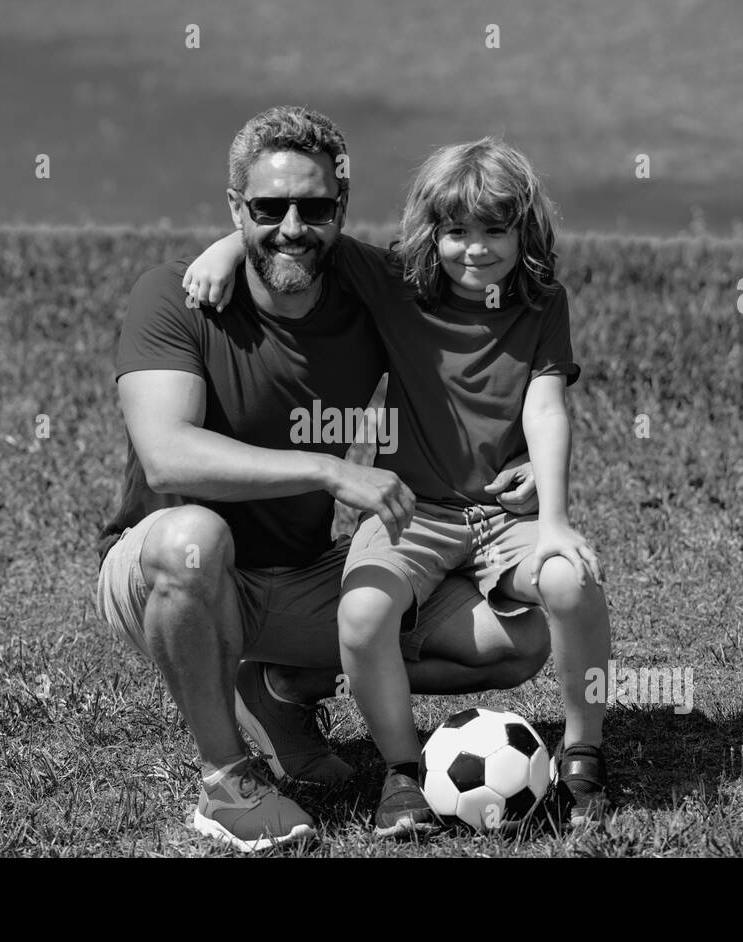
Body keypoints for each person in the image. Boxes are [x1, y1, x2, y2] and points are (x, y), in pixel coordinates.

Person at [96, 107, 551, 853]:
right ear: (236, 208)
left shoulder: (370, 295)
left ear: (341, 209)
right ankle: (226, 783)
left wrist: (533, 457)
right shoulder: (173, 298)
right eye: (268, 208)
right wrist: (327, 467)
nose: (292, 226)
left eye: (314, 207)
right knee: (193, 538)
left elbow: (489, 337)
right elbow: (168, 456)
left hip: (301, 575)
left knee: (517, 639)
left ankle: (283, 686)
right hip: (164, 567)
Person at [184, 138, 613, 839]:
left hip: (504, 517)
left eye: (494, 230)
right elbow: (298, 238)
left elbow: (546, 407)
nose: (475, 250)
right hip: (411, 509)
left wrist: (556, 517)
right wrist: (225, 251)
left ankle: (584, 753)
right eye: (456, 232)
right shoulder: (396, 282)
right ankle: (402, 774)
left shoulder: (542, 303)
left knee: (569, 582)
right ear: (431, 232)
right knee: (360, 616)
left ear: (524, 230)